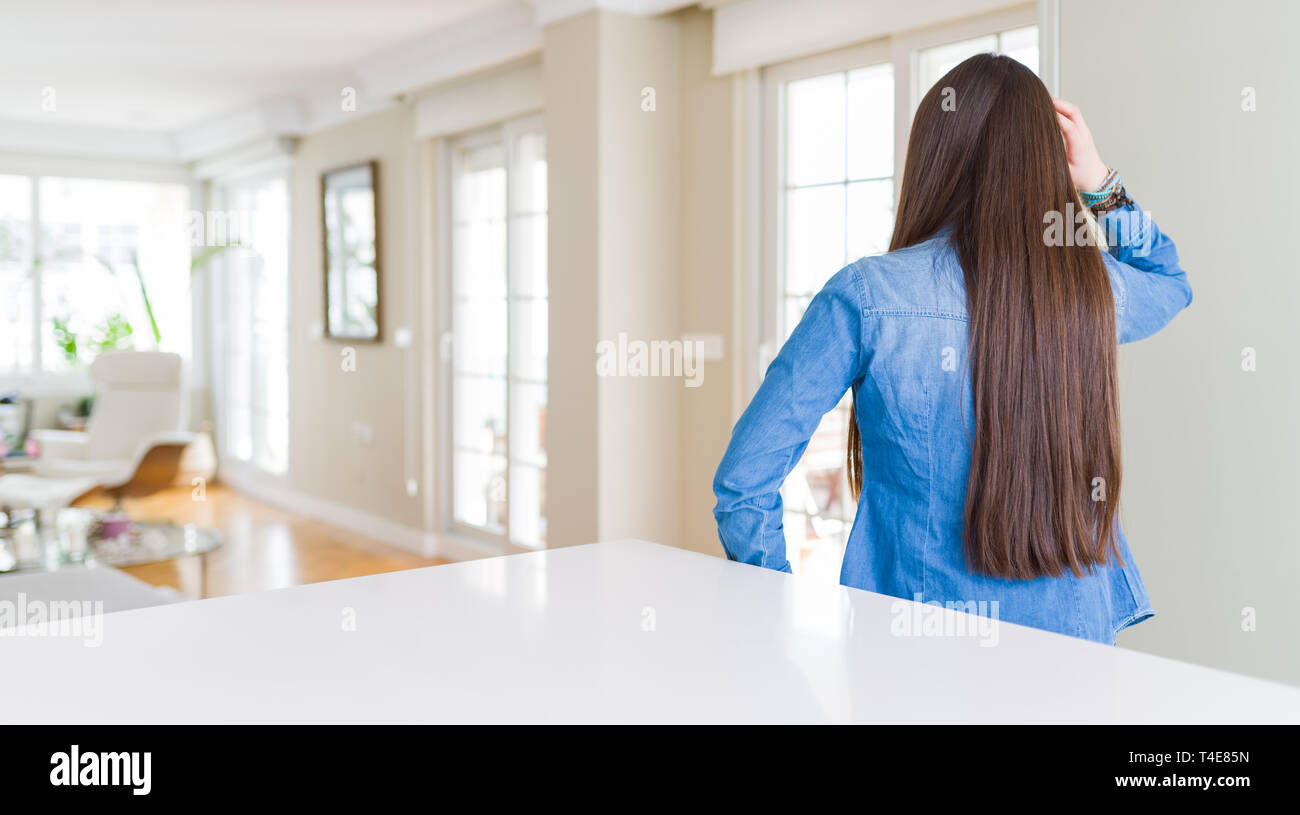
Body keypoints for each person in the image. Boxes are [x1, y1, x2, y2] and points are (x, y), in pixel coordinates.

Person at [712, 53, 1191, 644]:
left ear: (933, 155)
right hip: (1076, 651)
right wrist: (1099, 183)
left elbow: (743, 482)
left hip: (911, 653)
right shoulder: (1089, 293)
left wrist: (778, 613)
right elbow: (1168, 281)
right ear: (1046, 163)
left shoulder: (868, 295)